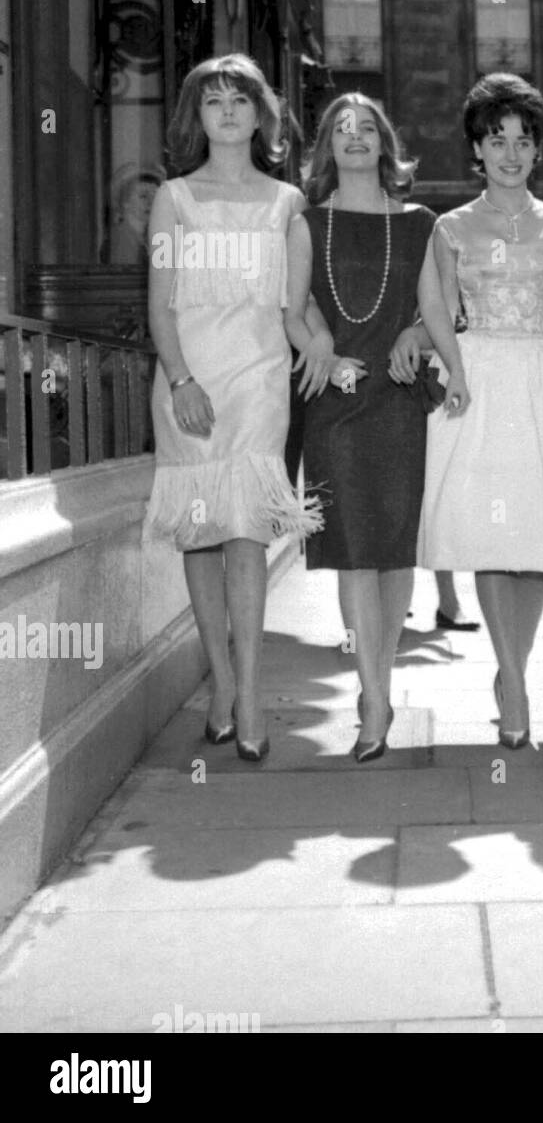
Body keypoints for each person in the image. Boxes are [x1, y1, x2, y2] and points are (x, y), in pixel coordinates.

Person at [144, 53, 324, 763]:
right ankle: (219, 681)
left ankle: (249, 694)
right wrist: (181, 380)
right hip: (191, 377)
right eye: (213, 99)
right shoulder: (173, 199)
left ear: (260, 116)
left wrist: (326, 351)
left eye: (240, 100)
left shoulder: (288, 203)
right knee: (200, 531)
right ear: (197, 116)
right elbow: (160, 304)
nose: (226, 110)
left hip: (258, 378)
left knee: (247, 530)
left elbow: (296, 307)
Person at [285, 93, 469, 762]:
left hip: (396, 402)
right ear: (328, 147)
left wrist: (450, 364)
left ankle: (381, 680)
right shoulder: (307, 224)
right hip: (334, 405)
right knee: (354, 551)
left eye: (367, 128)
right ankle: (371, 696)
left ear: (385, 144)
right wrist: (323, 352)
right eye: (342, 129)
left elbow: (437, 308)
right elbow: (292, 310)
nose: (355, 136)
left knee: (394, 552)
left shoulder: (420, 223)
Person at [414, 73, 543, 747]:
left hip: (542, 378)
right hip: (479, 378)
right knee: (491, 534)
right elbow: (437, 309)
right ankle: (513, 681)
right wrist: (446, 365)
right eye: (497, 139)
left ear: (538, 150)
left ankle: (515, 667)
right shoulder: (451, 226)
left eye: (523, 140)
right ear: (477, 149)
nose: (511, 152)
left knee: (537, 544)